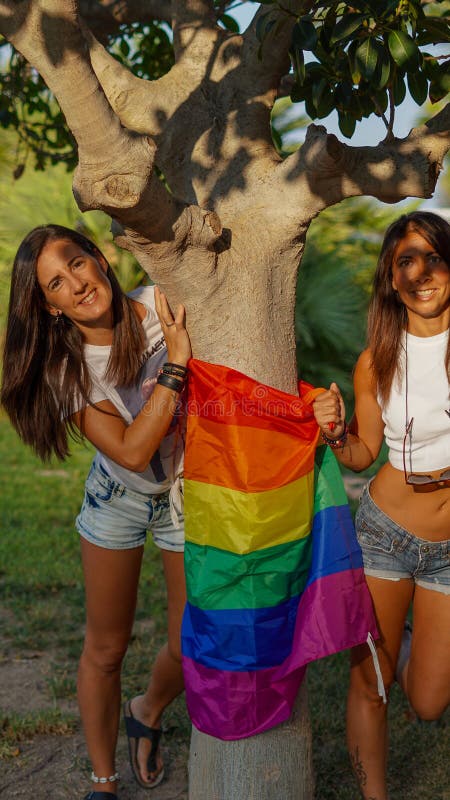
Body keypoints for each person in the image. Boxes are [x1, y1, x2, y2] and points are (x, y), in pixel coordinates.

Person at [1, 224, 191, 800]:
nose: (76, 284)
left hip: (186, 491)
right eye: (56, 284)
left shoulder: (157, 303)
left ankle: (148, 708)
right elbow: (133, 451)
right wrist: (175, 366)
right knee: (106, 648)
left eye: (77, 264)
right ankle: (103, 783)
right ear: (49, 307)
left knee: (192, 645)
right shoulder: (68, 369)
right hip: (120, 499)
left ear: (102, 260)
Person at [312, 211, 450, 800]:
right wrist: (336, 432)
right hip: (385, 533)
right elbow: (363, 453)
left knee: (428, 701)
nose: (421, 273)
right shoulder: (377, 360)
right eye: (405, 261)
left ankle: (417, 627)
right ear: (391, 279)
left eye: (433, 257)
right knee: (373, 683)